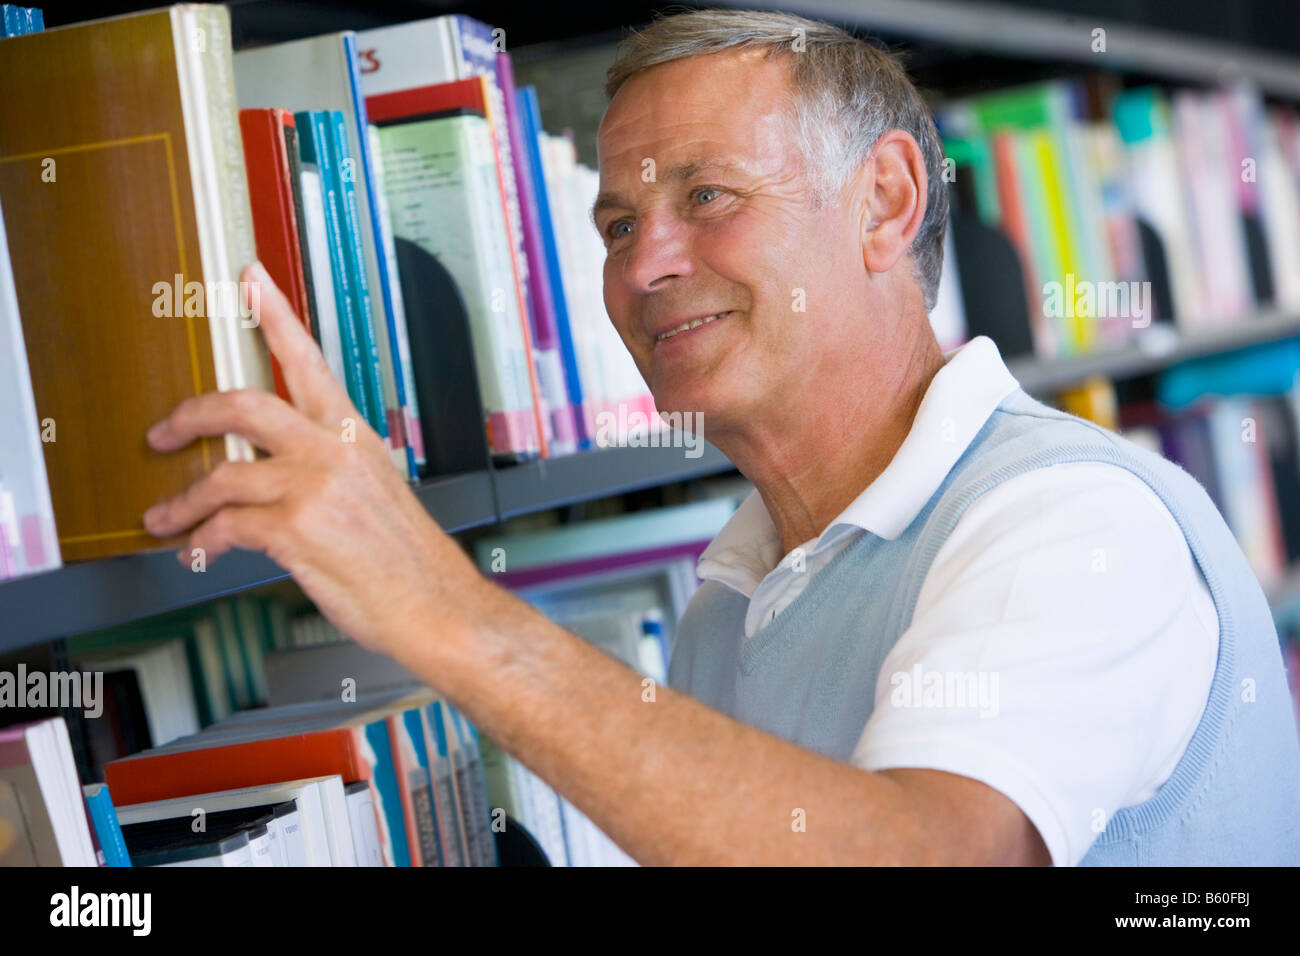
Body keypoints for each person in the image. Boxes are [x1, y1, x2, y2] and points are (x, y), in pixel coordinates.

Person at [141, 9, 1300, 865]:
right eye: (617, 221)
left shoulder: (1070, 524)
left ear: (885, 203)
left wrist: (434, 601)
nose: (642, 266)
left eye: (708, 196)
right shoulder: (729, 607)